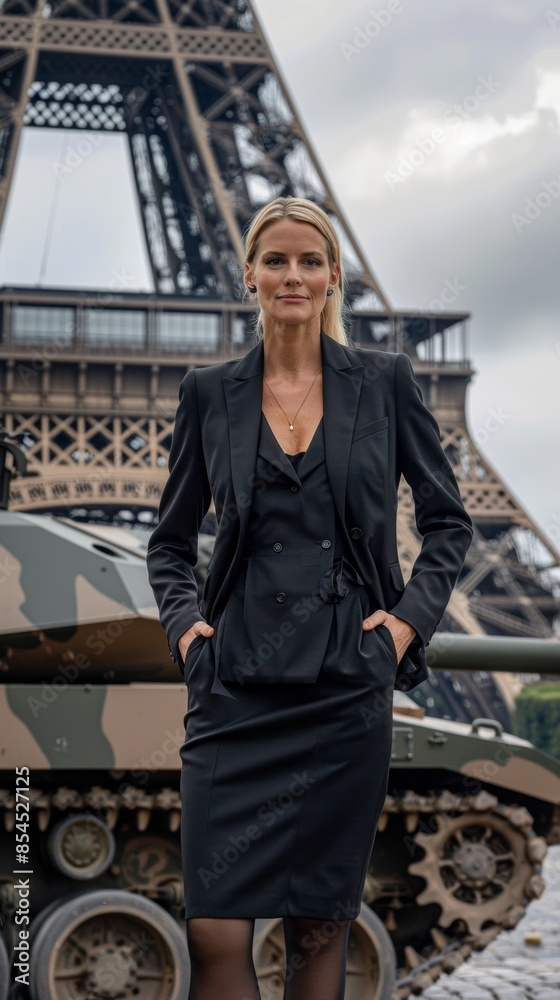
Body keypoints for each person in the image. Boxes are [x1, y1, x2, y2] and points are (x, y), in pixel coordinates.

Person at [146, 196, 473, 1000]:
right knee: (215, 932)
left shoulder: (385, 383)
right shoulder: (208, 392)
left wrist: (402, 629)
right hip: (232, 694)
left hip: (344, 690)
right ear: (249, 274)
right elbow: (169, 543)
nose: (292, 275)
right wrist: (188, 636)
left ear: (332, 279)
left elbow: (448, 524)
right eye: (276, 261)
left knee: (318, 933)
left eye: (310, 261)